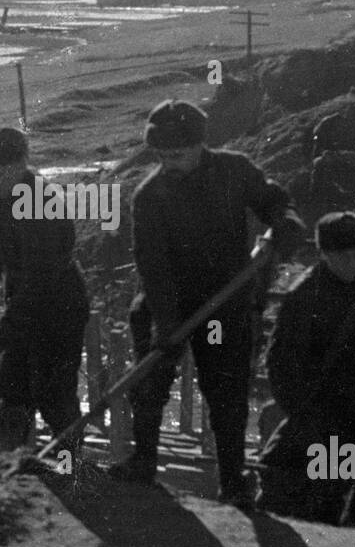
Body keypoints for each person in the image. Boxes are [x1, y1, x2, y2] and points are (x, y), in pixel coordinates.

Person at [108, 99, 306, 509]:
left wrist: (286, 221)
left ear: (200, 145)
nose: (169, 163)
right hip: (168, 301)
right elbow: (153, 266)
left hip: (224, 301)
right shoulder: (149, 196)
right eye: (161, 156)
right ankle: (144, 461)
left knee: (226, 393)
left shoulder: (235, 170)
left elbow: (272, 200)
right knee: (149, 386)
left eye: (177, 155)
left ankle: (232, 482)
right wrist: (166, 325)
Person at [256, 212, 355, 527]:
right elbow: (279, 362)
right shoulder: (304, 297)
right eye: (343, 256)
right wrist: (303, 413)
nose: (352, 262)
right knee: (317, 493)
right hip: (323, 403)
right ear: (324, 254)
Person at [0, 126, 90, 458]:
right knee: (12, 385)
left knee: (54, 394)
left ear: (21, 162)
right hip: (28, 305)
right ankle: (17, 460)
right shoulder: (12, 192)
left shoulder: (41, 202)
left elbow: (39, 281)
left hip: (58, 307)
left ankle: (70, 466)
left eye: (1, 171)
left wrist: (1, 329)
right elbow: (3, 224)